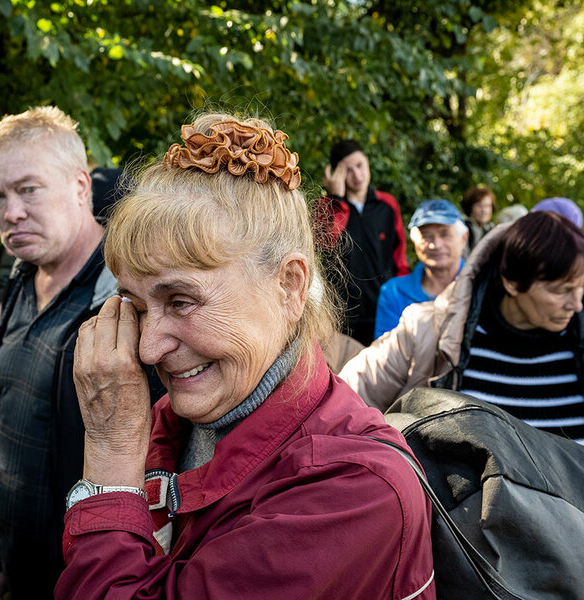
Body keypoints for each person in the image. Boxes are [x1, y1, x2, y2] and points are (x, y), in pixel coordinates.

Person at [57, 114, 435, 599]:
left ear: (290, 285)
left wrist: (110, 459)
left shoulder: (353, 489)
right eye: (134, 304)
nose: (148, 348)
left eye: (181, 301)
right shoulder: (172, 420)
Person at [340, 211, 584, 484]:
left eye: (582, 287)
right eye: (560, 290)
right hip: (461, 542)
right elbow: (346, 402)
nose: (577, 304)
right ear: (512, 283)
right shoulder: (429, 331)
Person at [0, 106, 127, 599]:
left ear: (81, 186)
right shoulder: (18, 281)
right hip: (18, 571)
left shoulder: (125, 301)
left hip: (87, 577)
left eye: (28, 189)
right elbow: (4, 433)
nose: (9, 211)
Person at [314, 138, 409, 345]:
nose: (357, 175)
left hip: (382, 307)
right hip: (342, 315)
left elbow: (399, 256)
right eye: (348, 170)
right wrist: (336, 198)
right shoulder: (328, 207)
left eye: (360, 165)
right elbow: (324, 242)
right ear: (337, 174)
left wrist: (402, 298)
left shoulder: (387, 204)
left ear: (367, 163)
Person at [374, 199, 467, 339]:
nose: (435, 245)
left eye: (445, 234)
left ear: (463, 239)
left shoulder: (480, 286)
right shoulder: (394, 292)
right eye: (426, 236)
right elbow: (383, 355)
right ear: (414, 242)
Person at [460, 185, 495, 257]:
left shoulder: (494, 229)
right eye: (479, 206)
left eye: (487, 206)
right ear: (470, 208)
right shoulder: (462, 229)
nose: (484, 211)